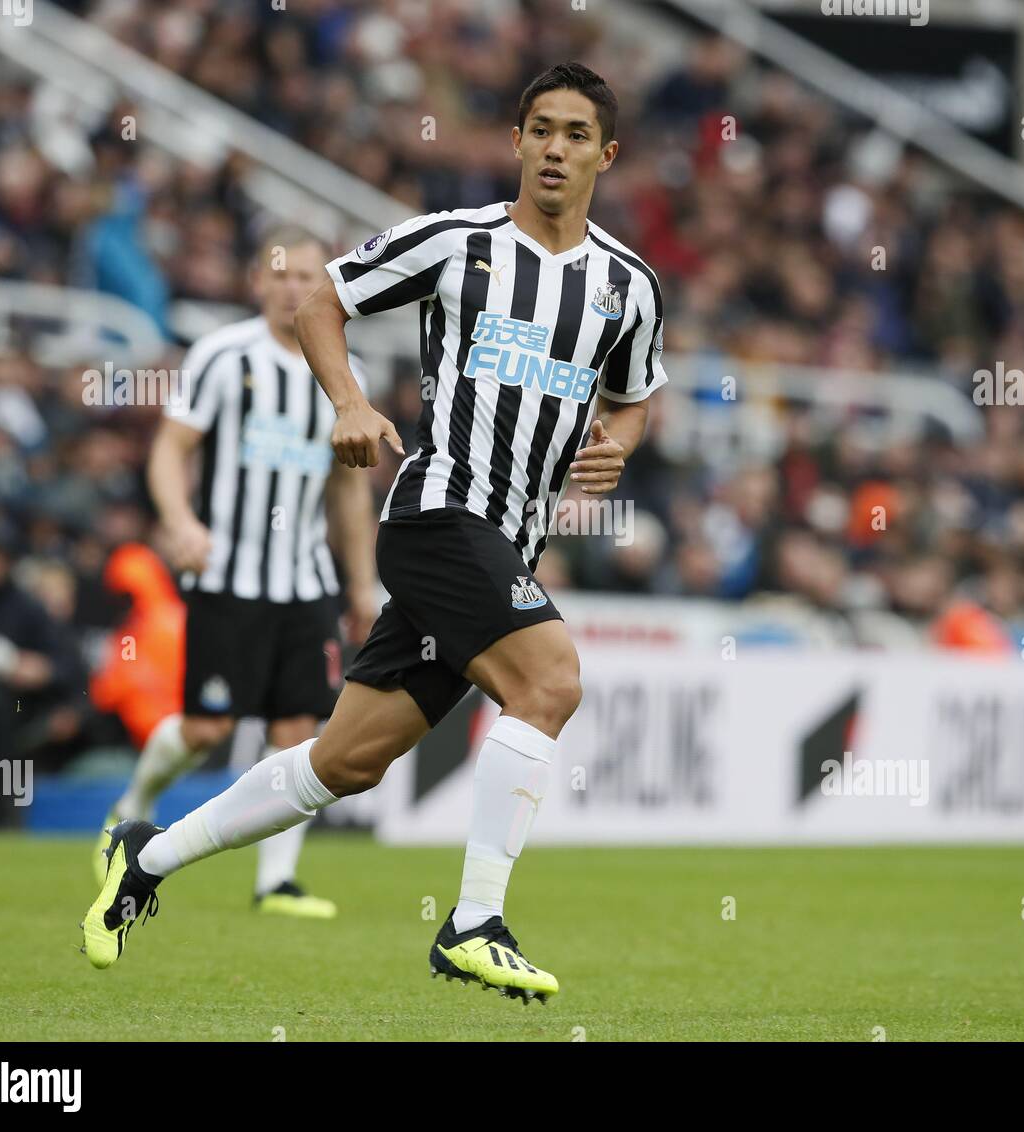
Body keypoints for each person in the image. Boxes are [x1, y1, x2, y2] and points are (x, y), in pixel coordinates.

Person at [82, 62, 667, 1003]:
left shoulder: (626, 287)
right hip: (438, 512)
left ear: (608, 152)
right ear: (517, 142)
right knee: (552, 682)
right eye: (541, 130)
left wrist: (615, 448)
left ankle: (146, 858)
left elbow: (637, 398)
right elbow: (323, 301)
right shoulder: (454, 241)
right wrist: (349, 404)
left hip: (508, 542)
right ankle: (475, 920)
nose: (556, 148)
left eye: (575, 133)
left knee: (342, 761)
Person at [90, 227, 377, 918]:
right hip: (229, 575)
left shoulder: (346, 371)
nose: (290, 286)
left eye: (305, 274)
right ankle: (131, 810)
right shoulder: (223, 356)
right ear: (256, 281)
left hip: (306, 581)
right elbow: (171, 448)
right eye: (278, 273)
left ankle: (275, 881)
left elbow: (348, 488)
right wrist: (179, 521)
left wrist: (362, 581)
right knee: (206, 730)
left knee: (298, 731)